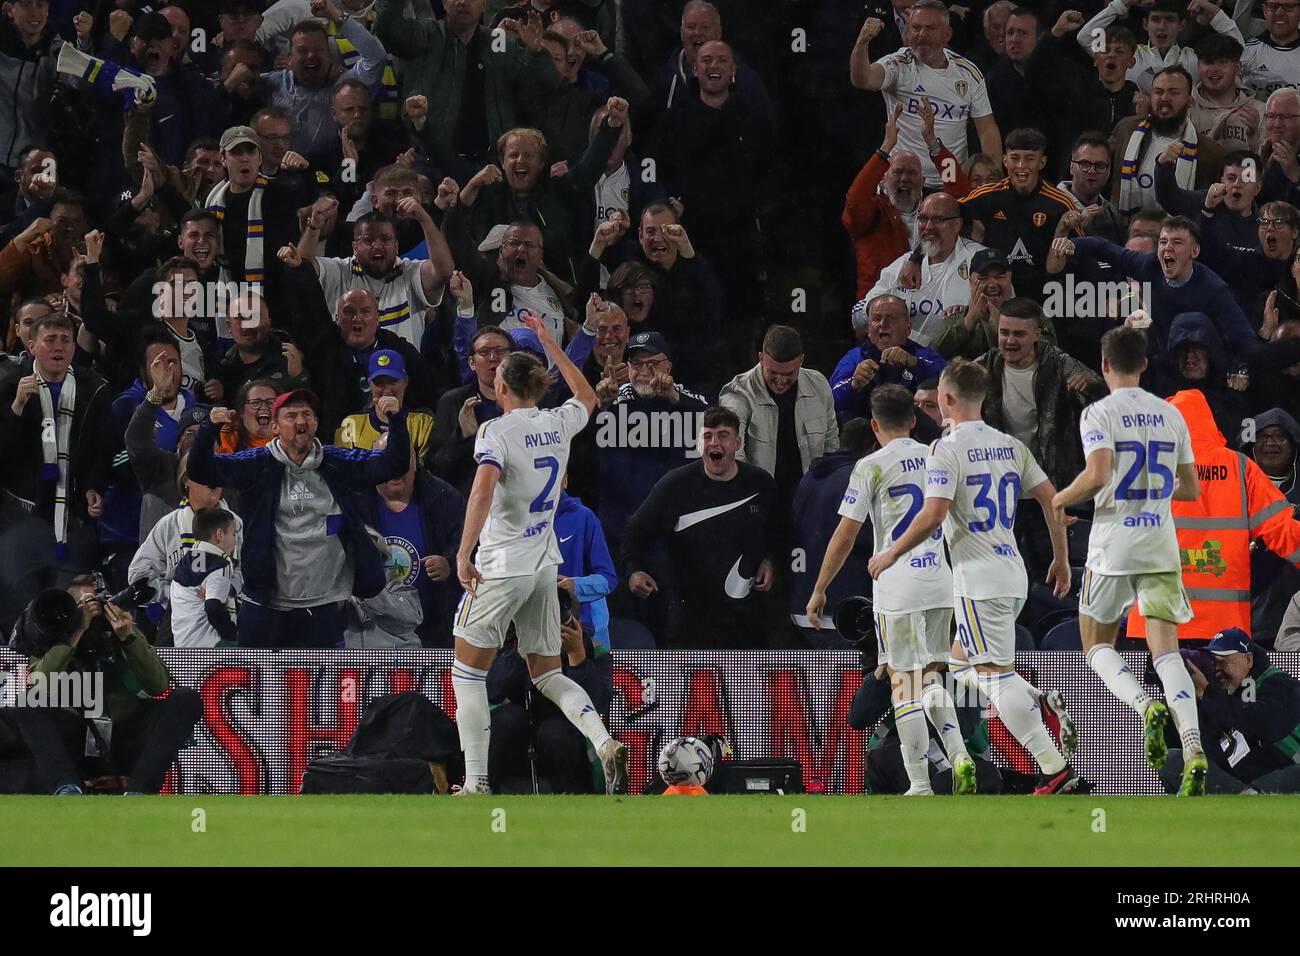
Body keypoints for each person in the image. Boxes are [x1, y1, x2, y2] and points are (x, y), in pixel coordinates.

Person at [867, 359, 1081, 794]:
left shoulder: (944, 449)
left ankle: (1054, 767)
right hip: (1012, 571)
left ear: (945, 399)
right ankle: (1039, 699)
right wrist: (1060, 558)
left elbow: (934, 514)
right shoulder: (1010, 446)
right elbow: (1051, 498)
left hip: (976, 578)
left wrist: (890, 552)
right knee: (961, 660)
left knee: (994, 677)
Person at [451, 310, 625, 795]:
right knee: (547, 672)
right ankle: (602, 739)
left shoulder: (496, 432)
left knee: (466, 672)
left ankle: (476, 783)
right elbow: (588, 396)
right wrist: (552, 344)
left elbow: (482, 491)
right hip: (544, 568)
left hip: (502, 566)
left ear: (501, 389)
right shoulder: (556, 423)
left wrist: (465, 552)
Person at [1051, 326, 1209, 795]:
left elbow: (1097, 473)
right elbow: (1190, 488)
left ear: (1103, 364)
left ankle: (1144, 706)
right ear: (1144, 364)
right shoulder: (1171, 414)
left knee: (1096, 644)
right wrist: (1153, 492)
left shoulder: (1099, 412)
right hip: (1160, 544)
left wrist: (1061, 498)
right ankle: (1194, 746)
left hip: (1113, 544)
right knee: (1166, 651)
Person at [807, 385, 975, 796]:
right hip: (940, 582)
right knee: (931, 677)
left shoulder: (871, 466)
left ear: (875, 426)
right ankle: (959, 755)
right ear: (915, 421)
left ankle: (920, 783)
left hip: (897, 585)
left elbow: (846, 535)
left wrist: (820, 589)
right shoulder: (940, 456)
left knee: (903, 683)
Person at [187, 387, 411, 648]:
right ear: (275, 426)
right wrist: (208, 431)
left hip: (324, 606)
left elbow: (392, 465)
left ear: (315, 423)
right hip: (266, 604)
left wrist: (396, 421)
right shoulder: (256, 464)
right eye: (291, 416)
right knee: (261, 687)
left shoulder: (338, 462)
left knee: (322, 688)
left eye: (307, 414)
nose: (301, 421)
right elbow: (201, 470)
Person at [1128, 388, 1300, 642]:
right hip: (1221, 629)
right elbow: (1283, 532)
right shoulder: (1240, 467)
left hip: (1155, 625)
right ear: (1208, 421)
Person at [4, 580, 202, 794]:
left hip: (124, 733)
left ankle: (140, 791)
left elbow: (159, 686)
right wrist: (76, 632)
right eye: (84, 604)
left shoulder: (121, 629)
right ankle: (66, 788)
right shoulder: (53, 635)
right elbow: (38, 683)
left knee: (185, 698)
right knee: (26, 701)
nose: (93, 610)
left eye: (96, 601)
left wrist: (129, 639)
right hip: (75, 735)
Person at [621, 405, 778, 649]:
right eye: (707, 436)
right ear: (698, 444)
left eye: (723, 435)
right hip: (689, 617)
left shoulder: (761, 483)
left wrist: (770, 560)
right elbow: (635, 531)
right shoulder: (674, 485)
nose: (714, 443)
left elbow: (779, 532)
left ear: (737, 443)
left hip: (748, 615)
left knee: (744, 687)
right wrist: (633, 570)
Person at [0, 312, 114, 632]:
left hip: (71, 519)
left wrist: (95, 486)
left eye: (65, 340)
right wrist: (17, 407)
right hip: (20, 518)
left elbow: (101, 450)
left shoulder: (94, 387)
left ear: (74, 349)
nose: (58, 347)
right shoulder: (8, 386)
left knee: (68, 609)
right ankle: (20, 678)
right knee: (19, 608)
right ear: (32, 345)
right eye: (50, 339)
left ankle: (65, 672)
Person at [373, 0, 562, 169]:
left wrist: (536, 52)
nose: (463, 2)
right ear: (444, 3)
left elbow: (548, 85)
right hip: (432, 162)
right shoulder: (426, 34)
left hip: (491, 163)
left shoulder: (498, 42)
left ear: (484, 5)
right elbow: (386, 27)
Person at [851, 0, 1002, 188]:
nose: (922, 34)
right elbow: (862, 79)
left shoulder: (968, 72)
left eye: (930, 28)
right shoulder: (898, 64)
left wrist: (996, 183)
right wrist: (862, 42)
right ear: (907, 33)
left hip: (951, 181)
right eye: (916, 28)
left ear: (947, 34)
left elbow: (987, 129)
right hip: (902, 181)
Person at [842, 98, 970, 297]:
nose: (905, 179)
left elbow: (961, 192)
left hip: (931, 308)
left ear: (923, 179)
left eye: (912, 173)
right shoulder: (872, 214)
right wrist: (884, 149)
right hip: (881, 312)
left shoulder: (935, 210)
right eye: (897, 172)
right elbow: (854, 201)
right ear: (883, 179)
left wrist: (933, 145)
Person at [976, 299, 1105, 491]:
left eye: (1019, 334)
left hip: (1051, 485)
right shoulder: (983, 368)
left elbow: (1105, 394)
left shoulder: (1058, 364)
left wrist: (1091, 386)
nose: (1010, 341)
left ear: (1037, 334)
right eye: (1004, 333)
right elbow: (948, 391)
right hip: (1000, 485)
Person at [298, 199, 453, 349]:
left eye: (385, 239)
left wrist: (424, 219)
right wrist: (313, 226)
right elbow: (302, 269)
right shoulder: (339, 270)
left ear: (396, 246)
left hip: (401, 372)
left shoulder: (409, 272)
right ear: (354, 247)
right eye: (368, 240)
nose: (377, 246)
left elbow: (444, 271)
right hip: (348, 371)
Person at [1162, 628, 1300, 793]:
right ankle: (1244, 796)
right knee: (1171, 760)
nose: (1217, 670)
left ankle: (1250, 796)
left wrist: (1208, 693)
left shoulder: (1280, 684)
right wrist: (1178, 695)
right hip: (1237, 783)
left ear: (1248, 660)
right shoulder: (1213, 694)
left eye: (1224, 662)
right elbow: (1181, 742)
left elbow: (1256, 723)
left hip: (1283, 772)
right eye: (1214, 662)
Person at [365, 429, 465, 648]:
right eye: (387, 458)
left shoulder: (443, 497)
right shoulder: (357, 501)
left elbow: (472, 546)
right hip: (374, 632)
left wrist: (450, 564)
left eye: (403, 457)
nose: (396, 466)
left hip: (436, 628)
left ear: (415, 461)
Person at [719, 325, 838, 508]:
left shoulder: (819, 385)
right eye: (773, 373)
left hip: (810, 502)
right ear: (760, 358)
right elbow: (732, 450)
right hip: (759, 503)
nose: (781, 381)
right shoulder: (738, 393)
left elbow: (831, 445)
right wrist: (748, 497)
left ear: (801, 361)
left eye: (789, 374)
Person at [960, 126, 1080, 301]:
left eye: (1030, 159)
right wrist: (916, 259)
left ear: (1042, 162)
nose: (1021, 166)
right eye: (1015, 158)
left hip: (1043, 297)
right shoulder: (986, 195)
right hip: (995, 294)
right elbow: (945, 214)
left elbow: (1080, 249)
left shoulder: (1060, 203)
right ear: (1005, 161)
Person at [786, 419, 876, 648]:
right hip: (844, 609)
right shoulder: (857, 478)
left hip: (800, 604)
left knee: (817, 683)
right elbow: (864, 539)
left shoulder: (810, 476)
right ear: (874, 446)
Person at [863, 192, 988, 346]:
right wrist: (886, 310)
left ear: (957, 225)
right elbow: (861, 313)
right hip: (906, 361)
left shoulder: (980, 260)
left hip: (961, 361)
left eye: (938, 219)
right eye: (923, 219)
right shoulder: (903, 264)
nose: (928, 226)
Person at [1109, 66, 1228, 217]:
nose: (1164, 98)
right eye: (1158, 92)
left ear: (1190, 100)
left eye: (1174, 92)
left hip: (1177, 235)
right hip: (1127, 232)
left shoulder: (1210, 153)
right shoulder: (1127, 129)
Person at [1079, 0, 1242, 94]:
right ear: (1145, 24)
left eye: (1170, 20)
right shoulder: (1127, 56)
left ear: (1182, 25)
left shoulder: (1193, 59)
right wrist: (1121, 4)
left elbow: (1238, 52)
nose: (1162, 26)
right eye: (1156, 19)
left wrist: (1215, 13)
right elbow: (1086, 37)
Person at [832, 294, 946, 423]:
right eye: (877, 318)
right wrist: (853, 385)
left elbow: (950, 382)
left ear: (908, 328)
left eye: (892, 318)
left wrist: (916, 364)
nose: (883, 324)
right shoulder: (854, 358)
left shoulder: (922, 355)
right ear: (869, 328)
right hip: (868, 433)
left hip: (914, 432)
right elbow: (830, 400)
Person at [335, 349, 435, 463]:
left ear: (405, 382)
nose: (387, 390)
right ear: (369, 384)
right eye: (379, 382)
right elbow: (342, 473)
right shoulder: (350, 425)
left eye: (392, 381)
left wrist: (402, 442)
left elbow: (429, 472)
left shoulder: (423, 423)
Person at [168, 507, 241, 648]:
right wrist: (234, 635)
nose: (236, 541)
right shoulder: (221, 564)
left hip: (182, 647)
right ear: (219, 534)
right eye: (233, 534)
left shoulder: (184, 561)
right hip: (212, 647)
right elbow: (213, 607)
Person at [1191, 35, 1263, 152]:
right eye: (1208, 62)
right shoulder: (1187, 110)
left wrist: (1254, 137)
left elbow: (1268, 165)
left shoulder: (1260, 111)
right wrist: (1209, 145)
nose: (1214, 69)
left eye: (1222, 62)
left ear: (1238, 67)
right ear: (1198, 67)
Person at [1241, 0, 1300, 98]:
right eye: (1273, 6)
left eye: (1288, 6)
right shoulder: (1246, 52)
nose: (1279, 13)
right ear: (1265, 10)